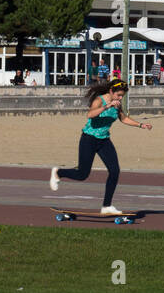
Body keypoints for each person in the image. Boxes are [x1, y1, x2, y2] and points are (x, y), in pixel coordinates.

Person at [50, 80, 151, 215]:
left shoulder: (117, 105)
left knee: (115, 171)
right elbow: (90, 114)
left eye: (122, 96)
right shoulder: (99, 100)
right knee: (82, 174)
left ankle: (107, 206)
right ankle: (58, 172)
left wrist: (141, 125)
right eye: (119, 95)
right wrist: (107, 106)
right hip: (89, 139)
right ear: (111, 91)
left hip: (104, 140)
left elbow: (123, 118)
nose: (120, 98)